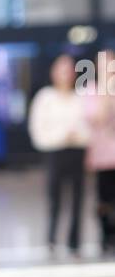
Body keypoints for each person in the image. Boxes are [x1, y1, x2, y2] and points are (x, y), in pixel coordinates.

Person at [28, 54, 90, 255]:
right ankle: (52, 240)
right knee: (55, 198)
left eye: (68, 70)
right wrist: (60, 136)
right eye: (61, 69)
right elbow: (38, 129)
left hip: (77, 151)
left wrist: (77, 136)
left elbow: (88, 127)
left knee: (77, 198)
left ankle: (75, 242)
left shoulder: (80, 97)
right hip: (55, 152)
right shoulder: (45, 97)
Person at [83, 50, 115, 254]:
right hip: (102, 155)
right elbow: (97, 118)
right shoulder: (90, 91)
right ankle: (106, 235)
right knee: (104, 198)